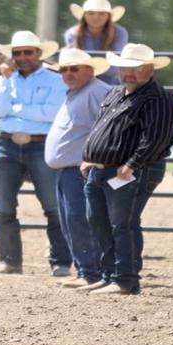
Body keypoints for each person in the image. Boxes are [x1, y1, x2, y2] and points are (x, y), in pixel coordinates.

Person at [79, 43, 173, 295]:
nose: (129, 73)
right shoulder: (115, 93)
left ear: (149, 69)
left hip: (132, 170)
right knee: (98, 220)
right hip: (103, 169)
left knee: (123, 223)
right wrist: (89, 156)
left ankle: (125, 278)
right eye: (125, 68)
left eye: (136, 68)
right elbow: (101, 127)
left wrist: (133, 164)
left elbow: (157, 138)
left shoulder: (159, 98)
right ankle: (110, 274)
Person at [0, 30, 69, 275]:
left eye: (27, 52)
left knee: (54, 206)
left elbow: (51, 113)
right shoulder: (2, 79)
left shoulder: (55, 78)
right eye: (17, 53)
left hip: (41, 144)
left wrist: (15, 110)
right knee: (2, 205)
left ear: (39, 54)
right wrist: (5, 80)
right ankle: (10, 261)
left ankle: (61, 261)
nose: (22, 57)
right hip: (7, 144)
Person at [42, 48, 110, 288]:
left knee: (80, 219)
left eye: (74, 68)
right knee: (72, 220)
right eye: (64, 69)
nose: (68, 73)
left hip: (80, 169)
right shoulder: (80, 93)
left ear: (89, 71)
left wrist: (96, 156)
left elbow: (111, 126)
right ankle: (85, 269)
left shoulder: (98, 92)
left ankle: (91, 272)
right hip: (68, 169)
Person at [62, 0, 126, 85]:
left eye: (101, 13)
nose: (96, 17)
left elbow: (114, 67)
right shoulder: (72, 34)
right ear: (84, 16)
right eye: (91, 13)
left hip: (111, 84)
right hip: (81, 83)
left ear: (108, 16)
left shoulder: (119, 33)